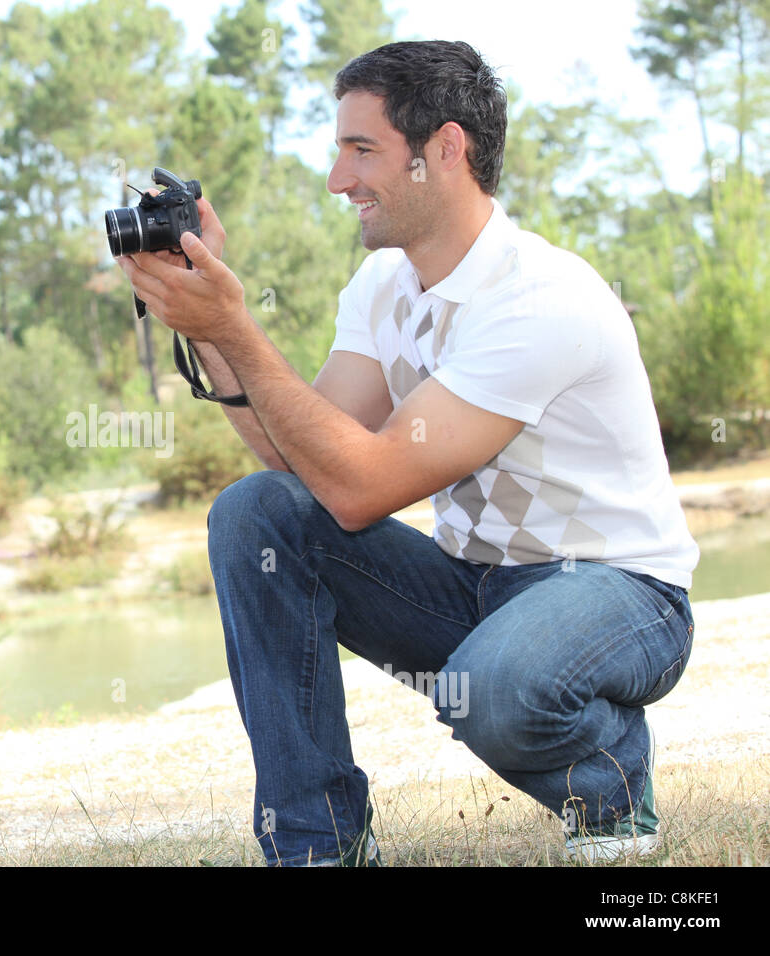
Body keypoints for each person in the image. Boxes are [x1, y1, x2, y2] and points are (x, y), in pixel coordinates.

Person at [114, 39, 698, 867]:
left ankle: (610, 786)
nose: (337, 180)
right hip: (474, 589)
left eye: (362, 151)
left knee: (498, 688)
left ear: (445, 151)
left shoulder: (540, 298)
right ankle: (318, 849)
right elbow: (305, 469)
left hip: (617, 593)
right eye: (338, 151)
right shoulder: (383, 287)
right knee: (260, 514)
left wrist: (236, 326)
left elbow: (363, 492)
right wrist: (210, 333)